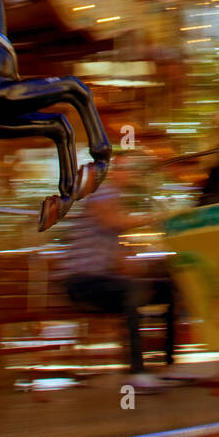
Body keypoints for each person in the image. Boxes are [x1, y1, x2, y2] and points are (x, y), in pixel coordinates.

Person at [61, 154, 179, 391]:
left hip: (101, 282)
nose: (131, 173)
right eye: (126, 169)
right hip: (80, 282)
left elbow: (122, 262)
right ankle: (137, 372)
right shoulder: (101, 190)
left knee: (169, 288)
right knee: (132, 291)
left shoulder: (114, 202)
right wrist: (156, 218)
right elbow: (112, 221)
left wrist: (151, 266)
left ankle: (169, 366)